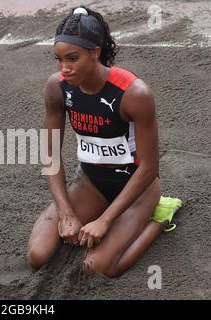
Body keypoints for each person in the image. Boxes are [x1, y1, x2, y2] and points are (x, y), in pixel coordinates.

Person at [27, 6, 181, 278]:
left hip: (138, 190)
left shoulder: (135, 94)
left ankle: (160, 217)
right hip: (92, 183)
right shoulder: (58, 88)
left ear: (95, 52)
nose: (64, 68)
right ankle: (98, 216)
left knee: (97, 268)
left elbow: (149, 168)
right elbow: (50, 153)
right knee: (38, 255)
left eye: (72, 58)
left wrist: (104, 221)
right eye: (59, 59)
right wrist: (65, 213)